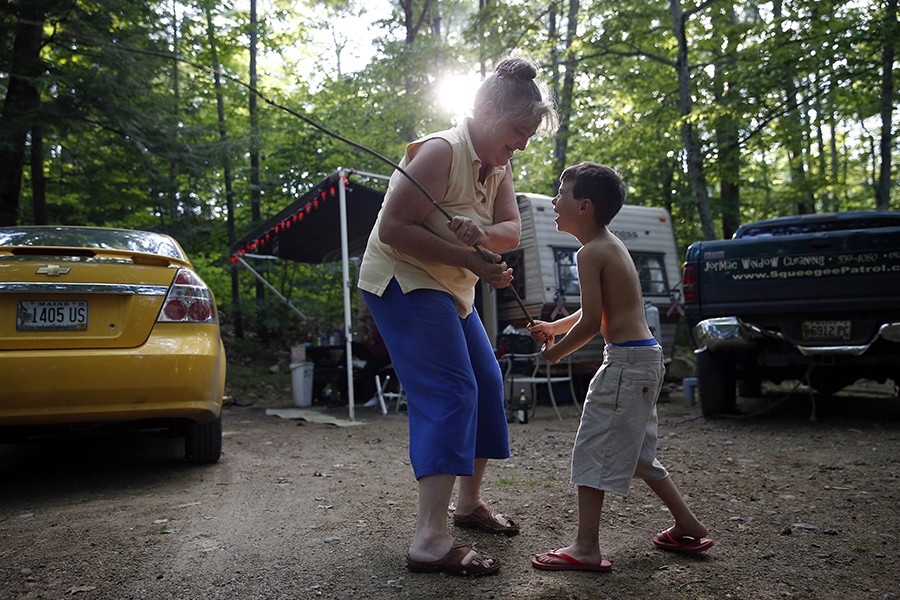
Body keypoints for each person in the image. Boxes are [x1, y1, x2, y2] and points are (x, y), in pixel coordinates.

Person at [357, 57, 557, 576]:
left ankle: (468, 507)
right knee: (451, 390)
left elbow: (512, 228)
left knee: (487, 384)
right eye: (518, 131)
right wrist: (469, 258)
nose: (523, 144)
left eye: (530, 135)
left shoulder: (500, 164)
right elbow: (392, 231)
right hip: (403, 279)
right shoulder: (440, 152)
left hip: (453, 288)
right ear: (487, 110)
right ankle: (429, 539)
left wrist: (482, 237)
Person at [527, 162, 713, 573]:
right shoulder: (609, 244)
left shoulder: (590, 251)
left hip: (627, 365)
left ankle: (586, 548)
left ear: (585, 206)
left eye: (562, 193)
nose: (556, 201)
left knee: (593, 448)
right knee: (641, 455)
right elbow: (598, 309)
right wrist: (554, 326)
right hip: (644, 360)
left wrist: (553, 355)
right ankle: (688, 524)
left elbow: (593, 324)